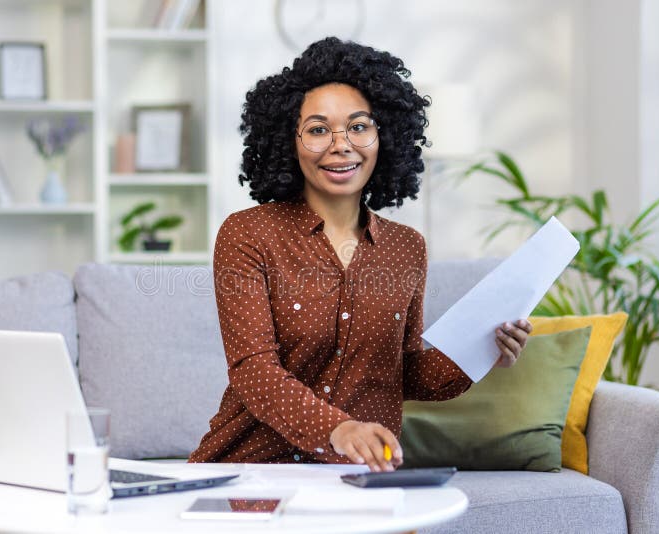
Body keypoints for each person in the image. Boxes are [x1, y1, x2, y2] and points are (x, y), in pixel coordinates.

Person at [188, 37, 531, 472]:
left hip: (359, 474)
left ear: (383, 135)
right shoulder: (249, 234)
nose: (341, 144)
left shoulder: (407, 247)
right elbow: (253, 371)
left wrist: (483, 349)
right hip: (253, 466)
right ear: (287, 141)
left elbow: (403, 371)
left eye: (358, 126)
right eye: (317, 129)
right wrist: (340, 429)